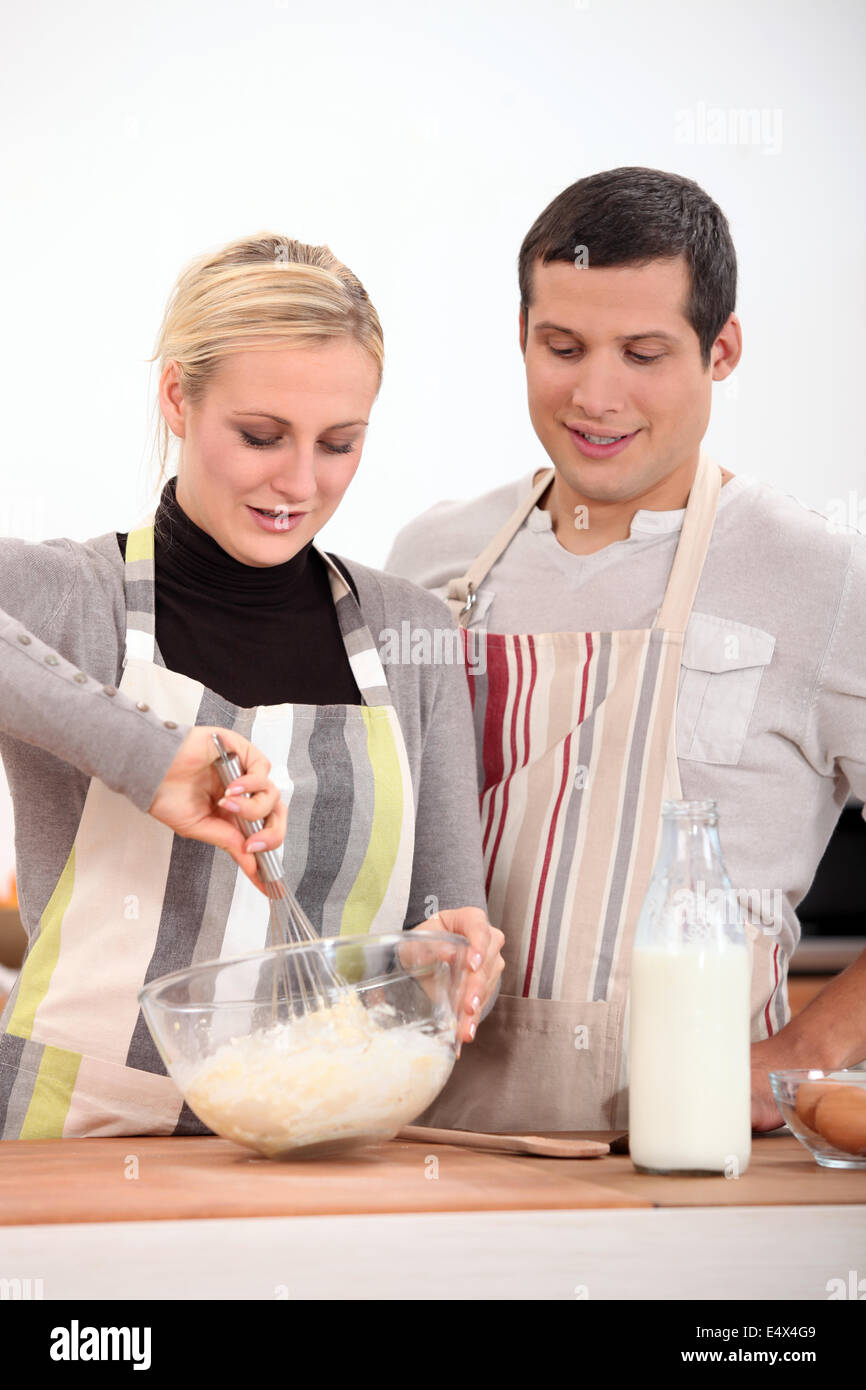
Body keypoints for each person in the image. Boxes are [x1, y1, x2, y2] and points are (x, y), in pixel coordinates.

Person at [385, 166, 866, 1135]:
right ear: (521, 335)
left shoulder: (821, 576)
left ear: (721, 350)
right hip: (430, 1134)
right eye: (562, 347)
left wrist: (800, 1054)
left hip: (694, 1145)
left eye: (642, 353)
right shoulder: (436, 557)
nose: (594, 395)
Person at [0, 233, 504, 1140]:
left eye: (339, 443)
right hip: (71, 1155)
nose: (299, 482)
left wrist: (453, 955)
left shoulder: (414, 633)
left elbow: (441, 912)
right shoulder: (67, 598)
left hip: (330, 1151)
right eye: (261, 436)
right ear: (177, 398)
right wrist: (151, 758)